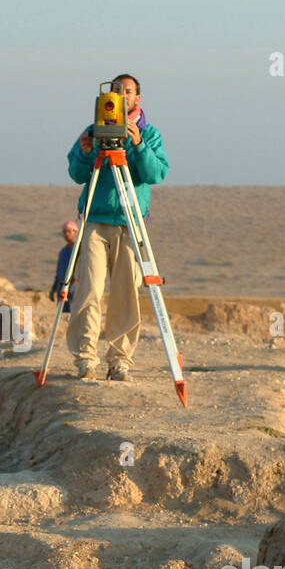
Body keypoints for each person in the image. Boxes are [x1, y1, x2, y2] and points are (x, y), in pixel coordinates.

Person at [66, 74, 169, 381]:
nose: (121, 96)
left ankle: (120, 359)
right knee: (90, 290)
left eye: (128, 92)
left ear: (137, 99)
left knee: (126, 293)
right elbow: (76, 173)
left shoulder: (150, 134)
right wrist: (86, 152)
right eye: (116, 91)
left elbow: (155, 174)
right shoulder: (93, 130)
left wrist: (137, 144)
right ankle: (85, 357)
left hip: (129, 221)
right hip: (96, 221)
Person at [51, 220, 79, 313]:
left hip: (74, 289)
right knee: (62, 315)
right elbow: (58, 272)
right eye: (64, 232)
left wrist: (76, 282)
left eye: (69, 231)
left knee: (74, 314)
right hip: (61, 288)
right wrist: (53, 289)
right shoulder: (63, 251)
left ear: (75, 232)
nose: (66, 234)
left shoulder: (80, 249)